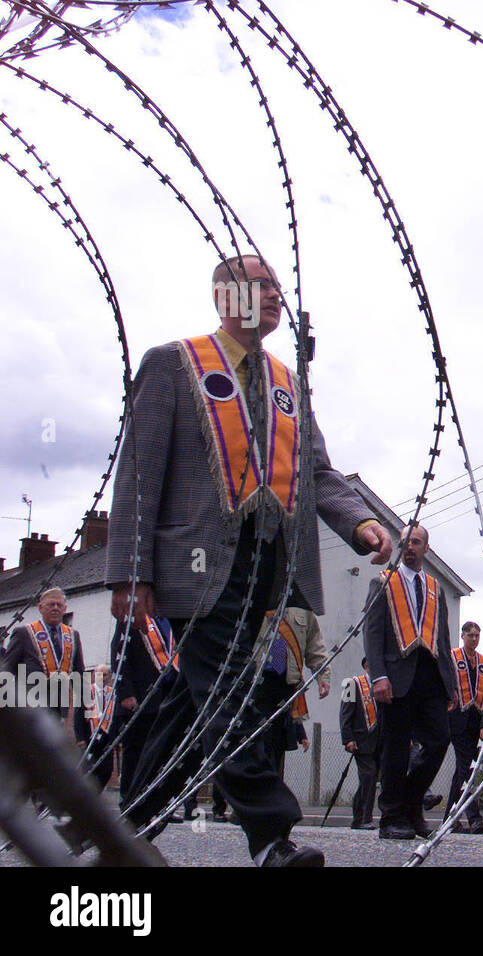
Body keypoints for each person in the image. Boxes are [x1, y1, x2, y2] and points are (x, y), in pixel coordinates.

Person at [105, 255, 392, 867]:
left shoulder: (288, 383)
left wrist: (359, 519)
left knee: (191, 692)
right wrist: (133, 571)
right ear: (222, 295)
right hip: (196, 564)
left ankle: (127, 828)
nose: (273, 296)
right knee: (230, 689)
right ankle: (271, 835)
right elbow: (138, 472)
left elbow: (316, 472)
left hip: (268, 565)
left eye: (277, 288)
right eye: (259, 285)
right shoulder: (173, 364)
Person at [362, 523, 455, 841]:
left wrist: (450, 683)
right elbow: (372, 633)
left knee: (440, 739)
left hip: (429, 676)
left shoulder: (434, 587)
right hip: (395, 676)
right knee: (396, 748)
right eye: (405, 542)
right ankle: (391, 817)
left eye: (416, 542)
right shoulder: (384, 582)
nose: (410, 546)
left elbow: (443, 637)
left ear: (426, 548)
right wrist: (378, 676)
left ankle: (411, 801)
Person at [1, 588, 88, 747]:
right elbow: (6, 671)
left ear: (65, 608)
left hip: (64, 709)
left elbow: (79, 674)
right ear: (40, 607)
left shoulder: (73, 636)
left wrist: (80, 717)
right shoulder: (23, 633)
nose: (55, 608)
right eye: (50, 605)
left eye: (59, 605)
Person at [107, 614, 178, 804]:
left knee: (162, 751)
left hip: (169, 694)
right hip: (140, 696)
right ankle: (129, 797)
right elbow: (119, 655)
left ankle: (157, 801)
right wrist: (125, 693)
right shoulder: (131, 617)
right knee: (136, 751)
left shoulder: (170, 618)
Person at [257, 601, 329, 777]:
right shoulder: (258, 595)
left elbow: (315, 646)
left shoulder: (303, 608)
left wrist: (323, 677)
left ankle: (274, 788)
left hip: (287, 683)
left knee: (279, 741)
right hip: (257, 682)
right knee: (258, 740)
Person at [444, 621, 483, 834]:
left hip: (475, 720)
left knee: (462, 771)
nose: (474, 639)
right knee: (467, 767)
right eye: (470, 635)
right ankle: (474, 817)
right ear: (462, 636)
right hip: (456, 719)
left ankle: (449, 817)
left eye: (477, 635)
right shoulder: (452, 657)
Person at [339, 657, 381, 830]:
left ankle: (360, 817)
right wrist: (348, 738)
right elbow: (344, 713)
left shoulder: (384, 685)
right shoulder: (350, 684)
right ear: (366, 666)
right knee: (368, 776)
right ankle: (364, 818)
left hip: (380, 740)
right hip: (361, 740)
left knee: (370, 779)